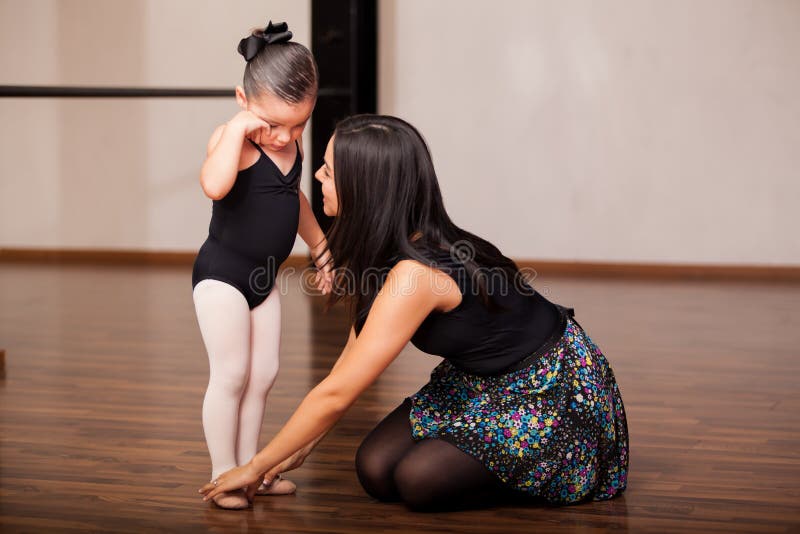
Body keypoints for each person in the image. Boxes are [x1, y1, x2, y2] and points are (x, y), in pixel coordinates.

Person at [199, 114, 629, 511]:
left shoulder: (417, 273)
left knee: (419, 480)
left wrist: (254, 467)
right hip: (478, 385)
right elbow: (348, 369)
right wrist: (297, 448)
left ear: (363, 188)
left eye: (328, 171)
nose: (316, 177)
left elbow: (335, 395)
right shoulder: (388, 248)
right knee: (374, 467)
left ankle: (539, 468)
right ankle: (481, 451)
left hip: (550, 389)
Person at [191, 21, 331, 510]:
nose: (285, 136)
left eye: (299, 125)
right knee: (230, 374)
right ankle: (222, 474)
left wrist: (320, 248)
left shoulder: (288, 144)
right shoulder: (232, 140)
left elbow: (295, 203)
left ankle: (253, 468)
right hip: (221, 278)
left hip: (262, 280)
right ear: (242, 101)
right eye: (273, 124)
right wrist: (235, 131)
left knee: (264, 373)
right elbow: (214, 185)